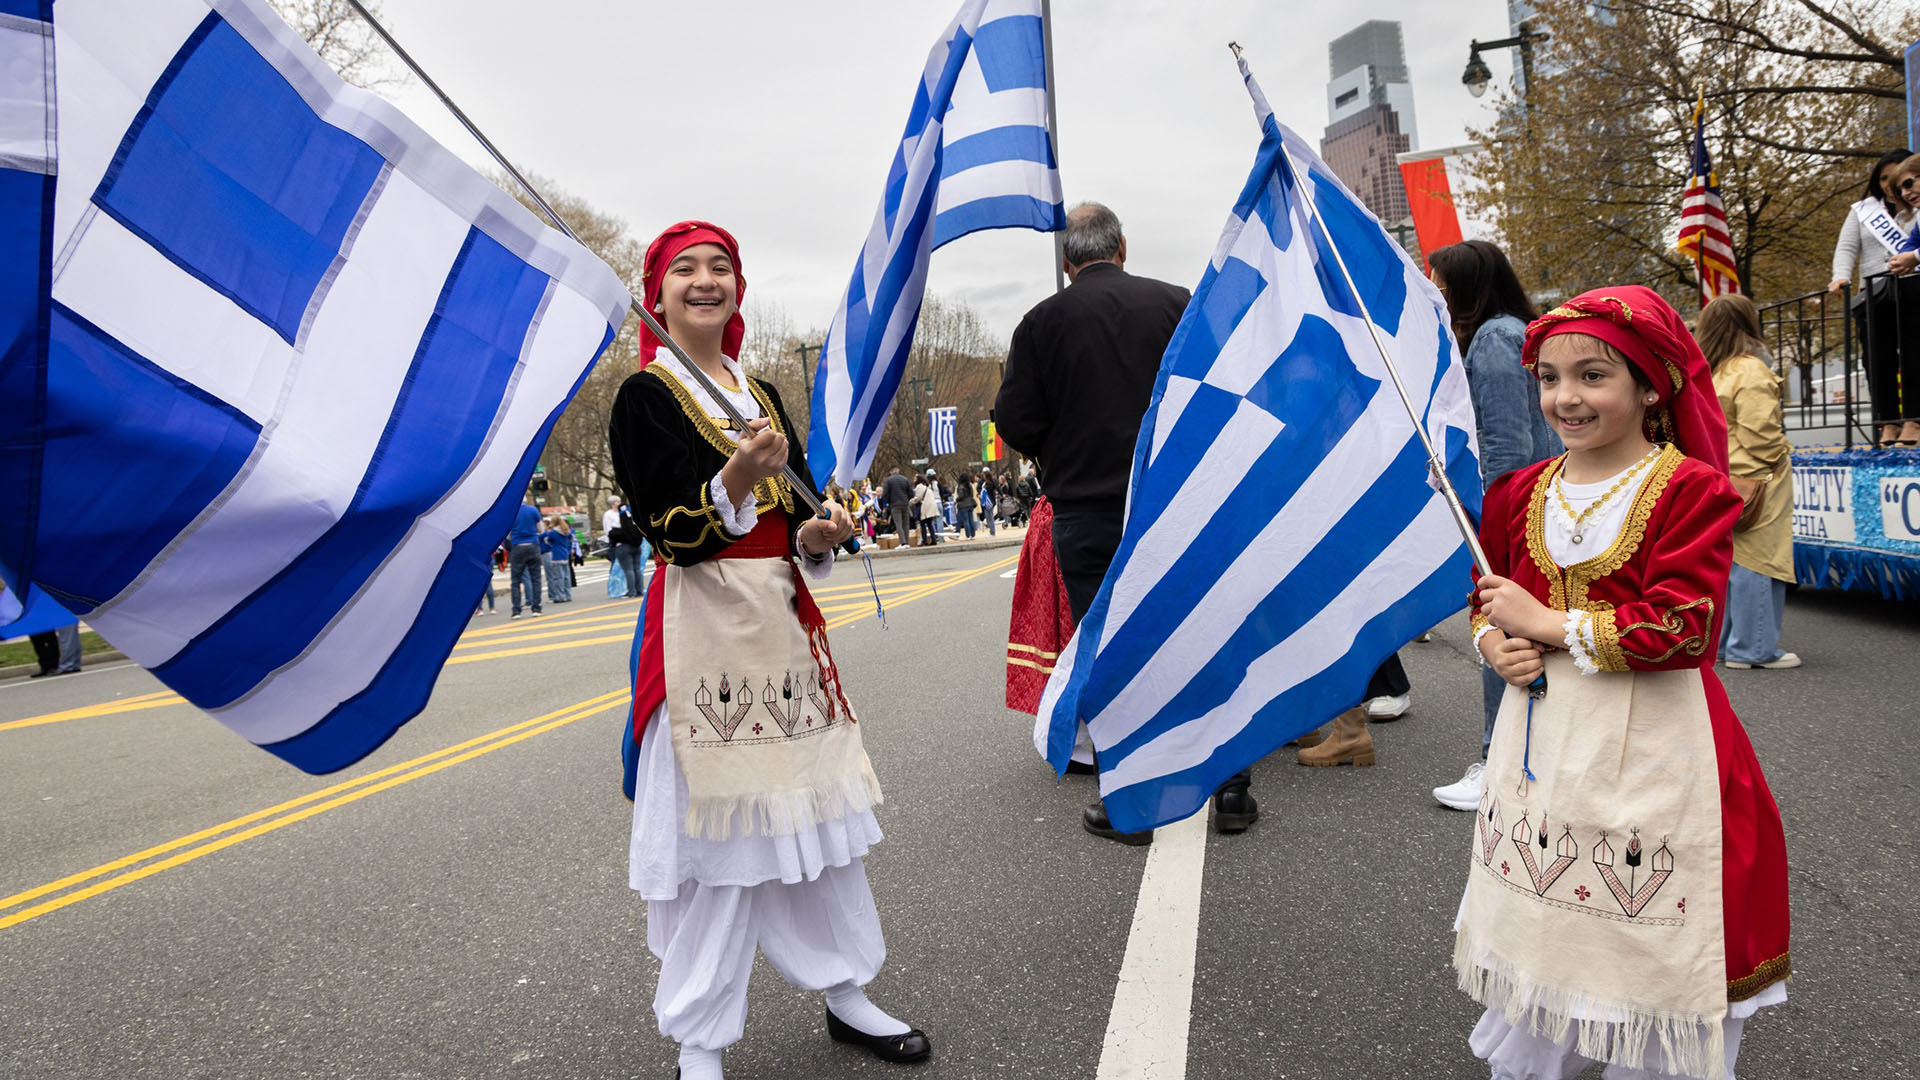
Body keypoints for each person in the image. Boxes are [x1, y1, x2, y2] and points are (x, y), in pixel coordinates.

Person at [606, 221, 927, 1080]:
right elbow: (670, 532)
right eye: (685, 270)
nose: (705, 281)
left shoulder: (765, 394)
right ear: (659, 292)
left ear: (738, 291)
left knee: (816, 819)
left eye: (721, 268)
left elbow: (796, 519)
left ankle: (847, 991)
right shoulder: (646, 396)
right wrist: (738, 480)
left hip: (783, 633)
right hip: (701, 635)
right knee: (722, 838)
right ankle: (700, 1039)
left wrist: (819, 529)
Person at [1457, 285, 1789, 1080]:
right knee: (1551, 924)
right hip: (1538, 745)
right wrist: (1493, 643)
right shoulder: (1514, 493)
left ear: (1650, 386)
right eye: (1548, 378)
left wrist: (1547, 624)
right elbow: (1490, 596)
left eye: (1593, 376)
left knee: (1639, 931)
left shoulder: (1689, 491)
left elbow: (1686, 627)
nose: (1565, 398)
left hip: (1655, 745)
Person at [996, 201, 1258, 844]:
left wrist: (1062, 437)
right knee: (1200, 631)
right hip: (1177, 503)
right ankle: (1232, 788)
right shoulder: (1178, 303)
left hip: (1087, 508)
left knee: (1109, 651)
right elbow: (1226, 389)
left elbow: (1015, 422)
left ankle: (1133, 801)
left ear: (1067, 263)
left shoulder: (1041, 322)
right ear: (1121, 248)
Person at [1425, 239, 1563, 812]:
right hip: (1539, 503)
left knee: (1504, 630)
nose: (1432, 292)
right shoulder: (1514, 332)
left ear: (1463, 286)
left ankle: (1497, 763)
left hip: (1520, 511)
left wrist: (1498, 523)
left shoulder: (1492, 338)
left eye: (1438, 282)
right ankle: (1516, 760)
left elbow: (1506, 445)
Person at [1697, 294, 1799, 671]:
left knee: (1731, 563)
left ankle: (1726, 643)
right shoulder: (1750, 369)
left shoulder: (1710, 370)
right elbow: (1762, 434)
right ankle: (1754, 648)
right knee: (1761, 559)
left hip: (1720, 472)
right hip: (1756, 475)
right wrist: (1776, 458)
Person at [1829, 148, 1920, 447]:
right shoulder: (1864, 210)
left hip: (1912, 291)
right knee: (1876, 360)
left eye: (1899, 177)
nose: (1889, 183)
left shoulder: (1914, 210)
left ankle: (1913, 419)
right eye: (1884, 178)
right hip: (1874, 292)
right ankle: (1886, 423)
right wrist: (1840, 276)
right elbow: (1846, 247)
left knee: (1912, 355)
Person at [507, 496, 543, 619]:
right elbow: (540, 529)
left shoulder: (511, 511)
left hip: (518, 546)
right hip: (533, 544)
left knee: (516, 580)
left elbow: (508, 534)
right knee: (536, 578)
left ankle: (516, 610)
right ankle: (536, 608)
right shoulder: (533, 510)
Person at [606, 495, 645, 598]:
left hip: (622, 545)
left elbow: (608, 531)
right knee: (637, 569)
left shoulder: (610, 515)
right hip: (636, 544)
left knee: (628, 570)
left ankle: (631, 591)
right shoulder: (629, 514)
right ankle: (639, 590)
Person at [880, 467, 915, 545]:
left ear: (891, 472)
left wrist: (890, 501)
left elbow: (885, 494)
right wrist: (906, 499)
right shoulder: (905, 479)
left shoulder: (888, 480)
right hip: (905, 504)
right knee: (906, 524)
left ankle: (903, 543)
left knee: (898, 524)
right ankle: (907, 542)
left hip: (895, 505)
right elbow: (911, 493)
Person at [542, 517, 574, 604]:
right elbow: (571, 539)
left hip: (556, 555)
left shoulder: (553, 532)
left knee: (558, 577)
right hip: (565, 554)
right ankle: (568, 594)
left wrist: (547, 532)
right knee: (566, 577)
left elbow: (547, 541)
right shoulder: (566, 530)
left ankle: (560, 596)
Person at [915, 470, 942, 546]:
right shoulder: (932, 485)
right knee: (932, 523)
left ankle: (925, 540)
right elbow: (942, 492)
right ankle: (936, 539)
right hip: (936, 503)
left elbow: (918, 498)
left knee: (923, 524)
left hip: (926, 507)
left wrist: (910, 502)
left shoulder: (919, 486)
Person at [954, 470, 978, 539]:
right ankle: (972, 535)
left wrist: (957, 500)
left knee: (965, 521)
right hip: (970, 503)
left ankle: (967, 535)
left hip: (963, 505)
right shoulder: (970, 485)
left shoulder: (961, 486)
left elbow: (961, 496)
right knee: (971, 520)